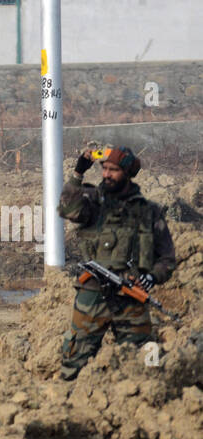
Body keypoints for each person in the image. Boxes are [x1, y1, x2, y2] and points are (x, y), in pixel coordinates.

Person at [57, 145, 176, 380]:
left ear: (128, 173)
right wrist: (79, 172)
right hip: (93, 294)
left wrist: (152, 277)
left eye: (113, 170)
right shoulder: (92, 202)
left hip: (131, 296)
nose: (106, 174)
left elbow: (167, 259)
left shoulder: (149, 211)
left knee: (146, 361)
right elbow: (67, 209)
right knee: (74, 358)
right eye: (104, 169)